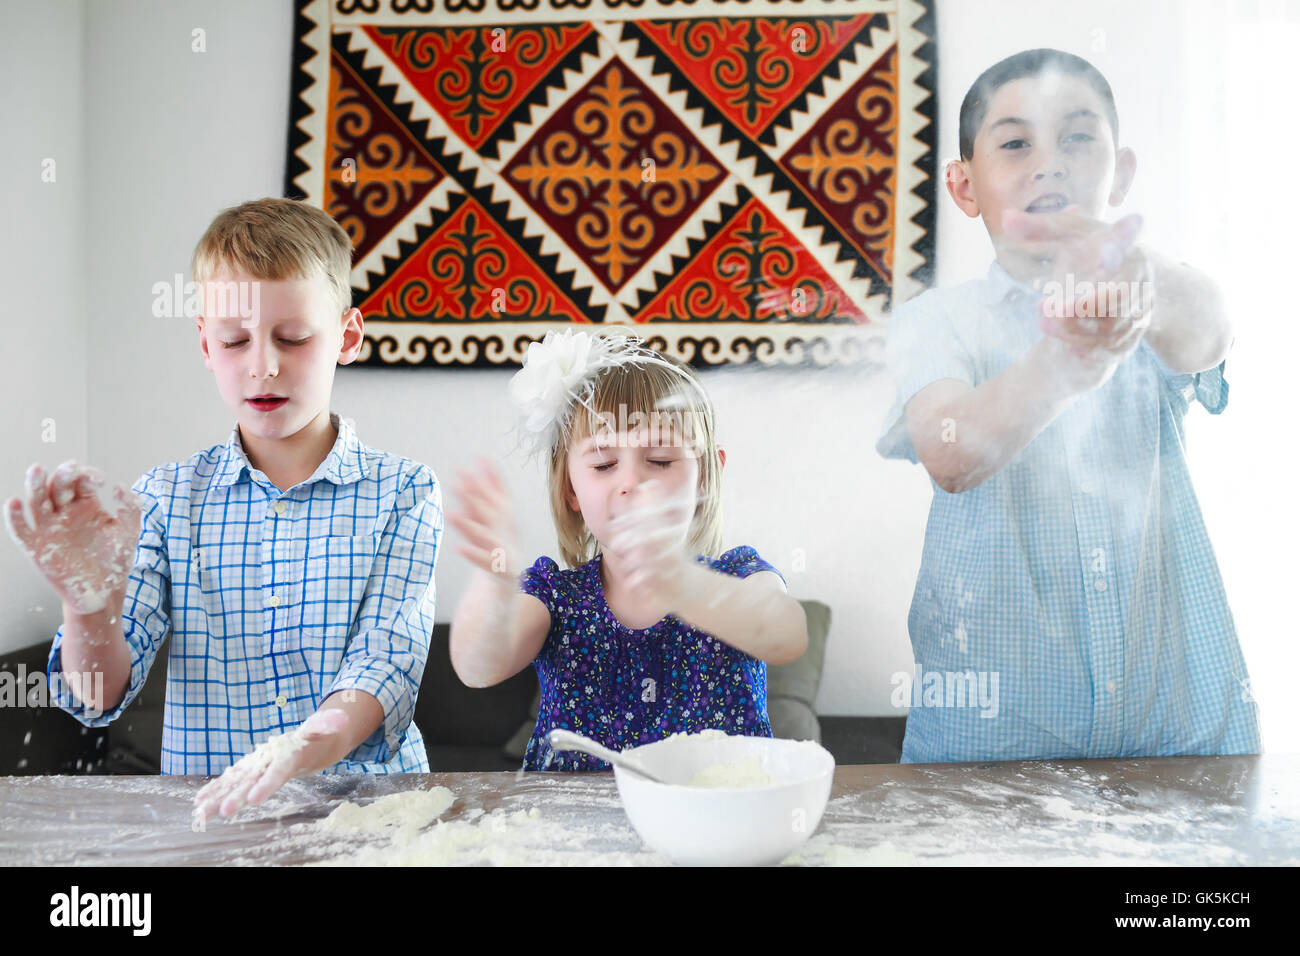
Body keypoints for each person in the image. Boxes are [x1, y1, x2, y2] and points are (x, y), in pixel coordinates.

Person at [877, 48, 1260, 762]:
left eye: (1078, 136)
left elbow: (1211, 331)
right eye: (1016, 142)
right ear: (964, 186)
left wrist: (1140, 277)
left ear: (1121, 173)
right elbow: (952, 453)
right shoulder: (938, 321)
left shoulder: (1153, 294)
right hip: (992, 736)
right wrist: (1065, 362)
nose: (1049, 162)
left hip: (1176, 720)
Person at [4, 198, 442, 819]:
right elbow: (95, 698)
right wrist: (89, 609)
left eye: (292, 338)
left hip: (372, 817)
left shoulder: (404, 491)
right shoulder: (164, 497)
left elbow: (385, 665)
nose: (262, 364)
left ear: (346, 337)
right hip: (218, 822)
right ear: (206, 345)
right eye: (235, 341)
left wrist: (302, 747)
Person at [449, 330, 807, 770]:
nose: (631, 483)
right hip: (570, 829)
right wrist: (492, 580)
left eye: (659, 460)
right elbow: (478, 668)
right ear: (571, 489)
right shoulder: (555, 598)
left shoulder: (742, 576)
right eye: (603, 465)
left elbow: (785, 634)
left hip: (716, 829)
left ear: (705, 477)